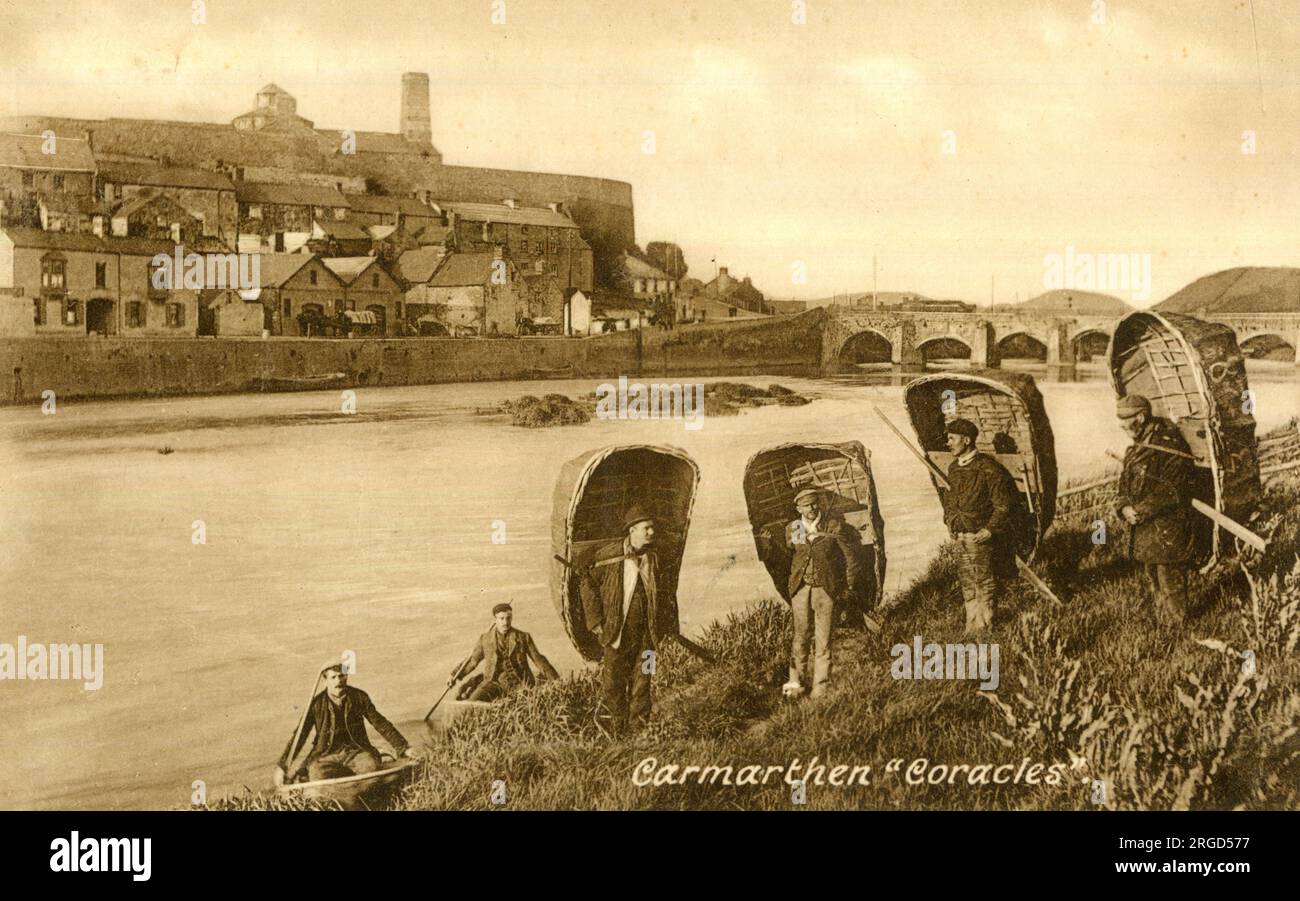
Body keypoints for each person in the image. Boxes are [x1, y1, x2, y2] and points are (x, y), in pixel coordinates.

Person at [580, 506, 677, 735]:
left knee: (645, 680)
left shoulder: (655, 557)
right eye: (647, 528)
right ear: (632, 530)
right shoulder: (610, 555)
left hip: (648, 637)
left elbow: (666, 593)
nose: (651, 532)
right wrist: (595, 622)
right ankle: (616, 730)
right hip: (616, 634)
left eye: (652, 527)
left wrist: (669, 626)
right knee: (613, 683)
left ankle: (639, 731)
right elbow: (587, 583)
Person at [1113, 394, 1196, 623]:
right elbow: (1124, 485)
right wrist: (1123, 507)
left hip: (1167, 527)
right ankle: (1164, 623)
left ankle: (1179, 630)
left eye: (1126, 420)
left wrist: (1139, 510)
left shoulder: (1169, 445)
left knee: (1169, 577)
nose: (1122, 425)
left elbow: (1174, 490)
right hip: (1146, 528)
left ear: (1141, 417)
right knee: (1153, 577)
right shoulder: (1137, 448)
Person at [783, 487, 862, 699]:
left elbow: (850, 559)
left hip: (825, 590)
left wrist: (849, 587)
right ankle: (795, 684)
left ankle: (821, 688)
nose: (811, 508)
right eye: (806, 505)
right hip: (800, 589)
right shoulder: (794, 528)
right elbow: (790, 555)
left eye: (814, 503)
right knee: (800, 637)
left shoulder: (833, 526)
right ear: (798, 507)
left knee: (823, 639)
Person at [940, 418, 1017, 636]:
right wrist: (949, 521)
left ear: (966, 440)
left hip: (978, 537)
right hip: (960, 536)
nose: (949, 443)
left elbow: (1003, 504)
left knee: (984, 580)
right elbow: (949, 499)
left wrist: (989, 530)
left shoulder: (988, 467)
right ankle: (971, 625)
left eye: (952, 438)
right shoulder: (954, 468)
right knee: (967, 582)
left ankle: (987, 625)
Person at [275, 664, 412, 786]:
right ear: (325, 681)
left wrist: (403, 747)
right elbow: (299, 736)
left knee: (371, 771)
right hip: (325, 755)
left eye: (341, 676)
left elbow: (380, 723)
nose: (338, 681)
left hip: (357, 751)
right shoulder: (315, 704)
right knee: (318, 776)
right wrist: (283, 766)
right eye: (333, 677)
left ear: (346, 676)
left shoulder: (359, 697)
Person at [447, 603, 559, 701]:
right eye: (501, 618)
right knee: (473, 702)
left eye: (508, 618)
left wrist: (556, 680)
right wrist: (454, 675)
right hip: (492, 682)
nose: (505, 622)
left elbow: (538, 659)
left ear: (512, 618)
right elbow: (472, 661)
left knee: (528, 704)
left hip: (518, 682)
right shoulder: (485, 639)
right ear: (495, 620)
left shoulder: (523, 637)